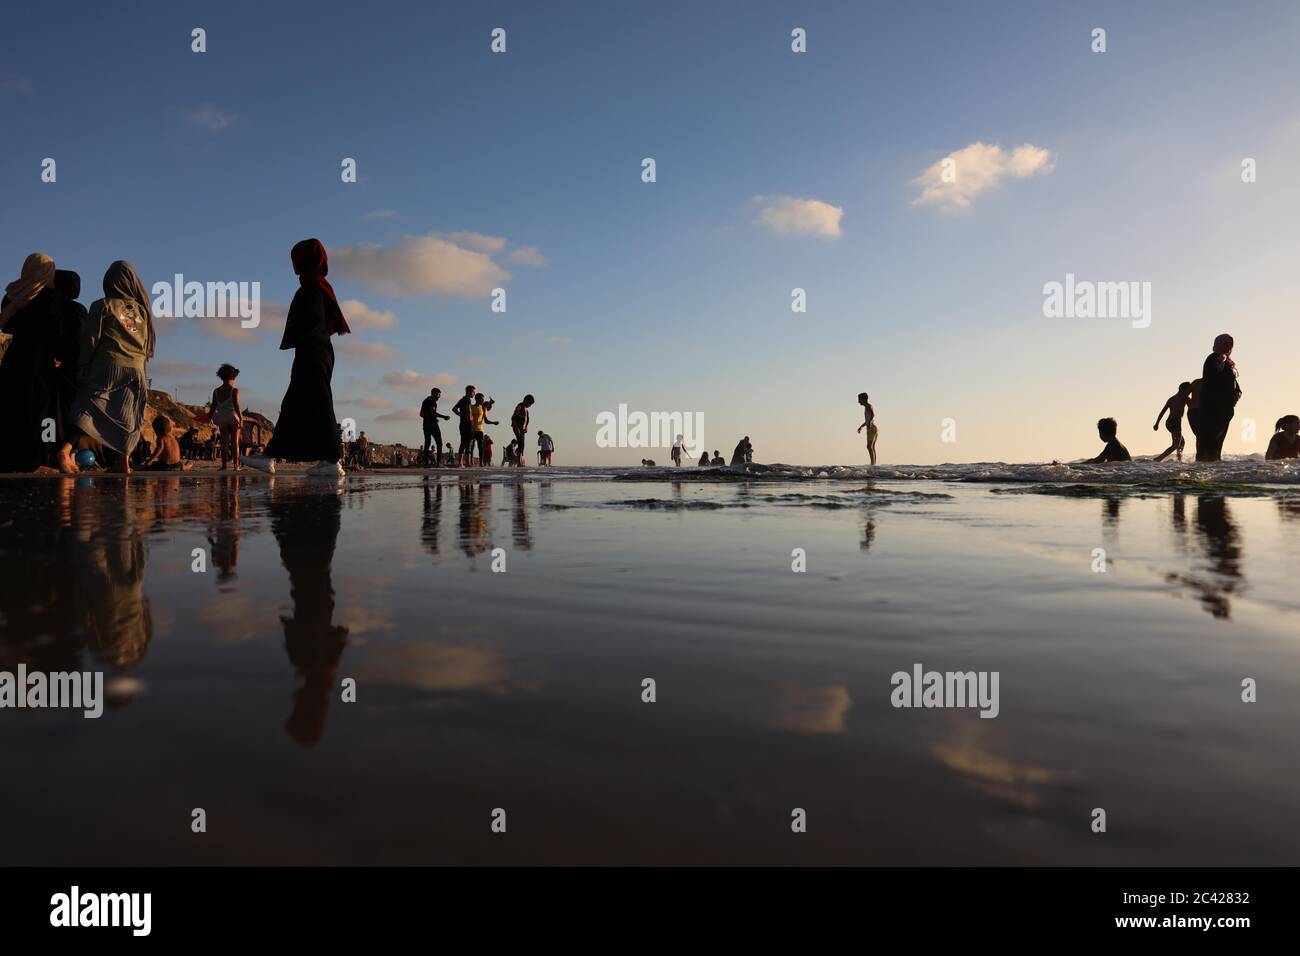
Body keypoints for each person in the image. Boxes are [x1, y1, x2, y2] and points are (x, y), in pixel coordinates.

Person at [253, 239, 351, 477]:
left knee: (319, 401)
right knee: (294, 404)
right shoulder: (317, 285)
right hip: (315, 350)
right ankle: (270, 456)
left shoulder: (312, 287)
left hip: (313, 351)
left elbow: (314, 324)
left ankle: (332, 459)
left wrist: (306, 346)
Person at [55, 261, 155, 475]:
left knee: (87, 406)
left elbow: (91, 340)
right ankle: (123, 462)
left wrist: (82, 366)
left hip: (108, 364)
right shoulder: (140, 311)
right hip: (136, 369)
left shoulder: (103, 305)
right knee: (128, 416)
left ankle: (65, 450)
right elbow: (144, 345)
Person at [0, 253, 84, 472]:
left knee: (13, 408)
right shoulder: (55, 300)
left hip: (15, 357)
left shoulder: (11, 296)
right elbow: (65, 336)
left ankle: (12, 458)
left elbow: (8, 325)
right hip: (42, 362)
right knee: (43, 413)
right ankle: (40, 458)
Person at [1194, 333, 1241, 462]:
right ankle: (1202, 470)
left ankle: (1214, 470)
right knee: (1208, 440)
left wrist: (1237, 392)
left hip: (1225, 408)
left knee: (1217, 442)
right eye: (1225, 343)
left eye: (1231, 344)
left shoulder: (1228, 363)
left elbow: (1232, 382)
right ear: (1218, 344)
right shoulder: (1215, 358)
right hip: (1213, 408)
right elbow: (1213, 380)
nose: (1229, 346)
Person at [210, 364, 244, 471]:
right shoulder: (234, 390)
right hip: (233, 417)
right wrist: (241, 418)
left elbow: (213, 406)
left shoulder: (216, 391)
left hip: (222, 418)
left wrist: (210, 418)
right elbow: (237, 405)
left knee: (224, 443)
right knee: (235, 442)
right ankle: (236, 466)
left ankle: (224, 466)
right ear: (233, 377)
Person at [1153, 381, 1193, 462]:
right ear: (1184, 390)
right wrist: (1157, 423)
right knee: (1175, 445)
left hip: (1169, 422)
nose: (1189, 393)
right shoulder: (1184, 398)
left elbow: (1162, 412)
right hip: (1174, 422)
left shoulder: (1172, 398)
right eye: (1189, 390)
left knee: (1181, 442)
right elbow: (1193, 406)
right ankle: (1158, 458)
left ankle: (1179, 460)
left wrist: (1157, 423)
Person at [419, 387, 450, 465]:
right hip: (432, 425)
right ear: (434, 394)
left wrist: (431, 417)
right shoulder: (432, 401)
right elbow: (432, 413)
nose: (439, 397)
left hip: (425, 425)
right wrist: (443, 417)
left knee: (427, 443)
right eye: (438, 395)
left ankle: (426, 463)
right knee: (439, 443)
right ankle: (438, 462)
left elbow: (421, 414)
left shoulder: (425, 401)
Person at [452, 385, 478, 466]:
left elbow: (454, 409)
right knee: (468, 443)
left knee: (463, 442)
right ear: (468, 391)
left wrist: (461, 415)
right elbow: (469, 412)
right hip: (468, 424)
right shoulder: (468, 400)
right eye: (473, 392)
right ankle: (466, 463)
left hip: (462, 423)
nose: (474, 394)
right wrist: (472, 422)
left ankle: (461, 463)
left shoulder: (461, 400)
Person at [472, 393, 497, 465]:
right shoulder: (471, 407)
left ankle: (480, 462)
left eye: (483, 399)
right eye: (481, 399)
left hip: (480, 430)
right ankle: (470, 461)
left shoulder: (483, 408)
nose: (482, 400)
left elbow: (485, 420)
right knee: (471, 446)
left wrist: (493, 422)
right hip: (472, 429)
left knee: (480, 447)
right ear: (476, 399)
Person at [511, 394, 535, 466]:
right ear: (526, 401)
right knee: (521, 444)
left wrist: (526, 427)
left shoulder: (526, 409)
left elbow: (527, 420)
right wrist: (516, 427)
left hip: (522, 429)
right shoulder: (520, 406)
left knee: (522, 445)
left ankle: (520, 462)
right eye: (530, 404)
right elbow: (513, 417)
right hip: (517, 427)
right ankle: (519, 463)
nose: (530, 406)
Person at [857, 392, 878, 465]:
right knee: (872, 447)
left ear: (863, 399)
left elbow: (872, 414)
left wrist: (869, 423)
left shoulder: (869, 406)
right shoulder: (867, 407)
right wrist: (861, 426)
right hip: (872, 428)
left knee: (869, 447)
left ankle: (872, 464)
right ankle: (874, 463)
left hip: (871, 428)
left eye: (859, 399)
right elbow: (868, 419)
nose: (858, 401)